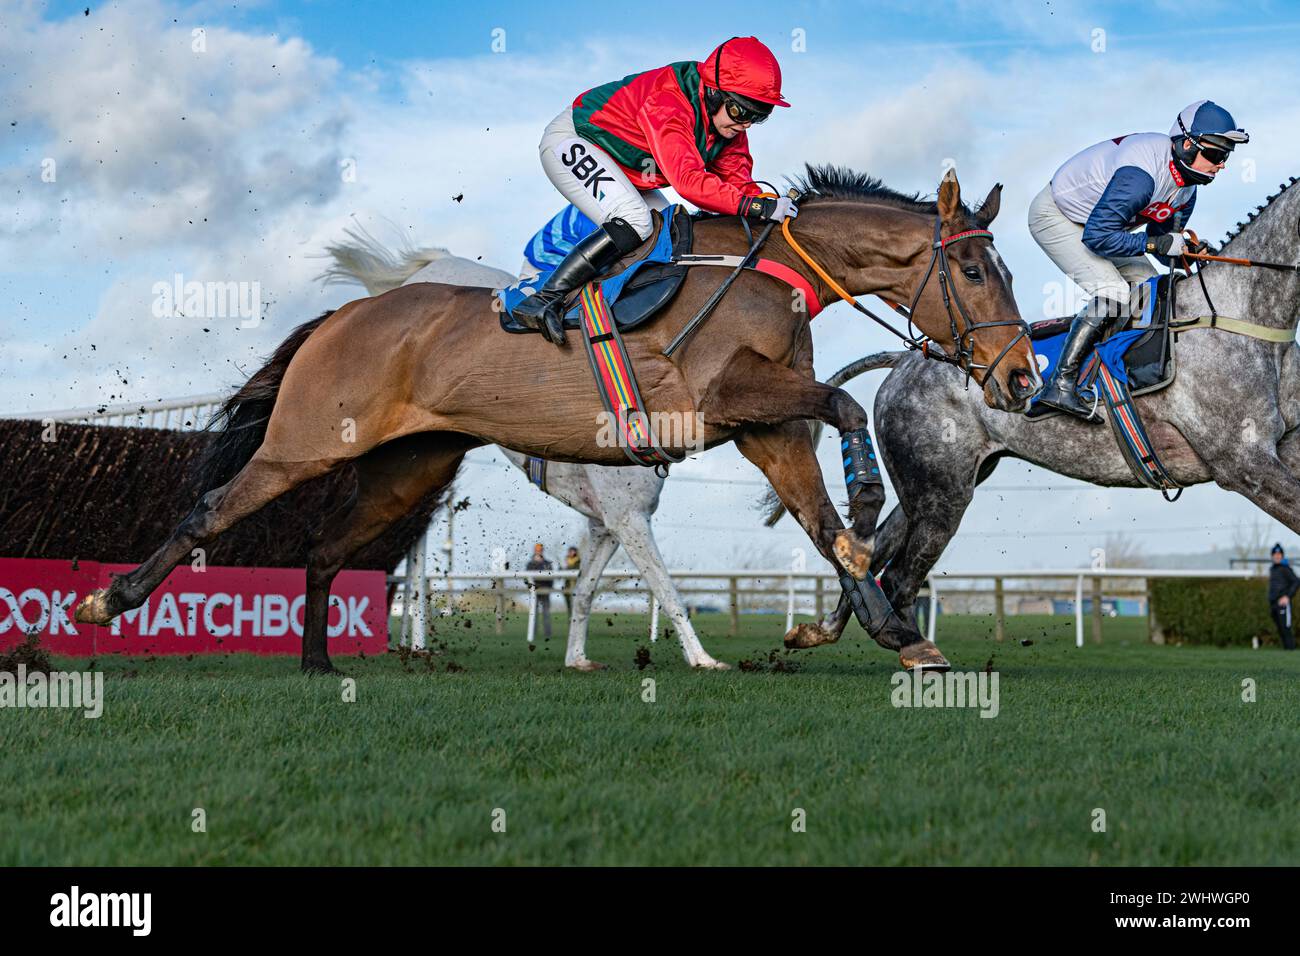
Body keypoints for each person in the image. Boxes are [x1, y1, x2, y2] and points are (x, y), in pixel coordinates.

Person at [512, 36, 798, 346]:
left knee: (672, 236)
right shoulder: (669, 101)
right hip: (574, 139)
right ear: (714, 93)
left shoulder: (727, 129)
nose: (746, 125)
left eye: (758, 116)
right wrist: (754, 207)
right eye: (741, 112)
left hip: (627, 166)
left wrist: (769, 205)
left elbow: (739, 184)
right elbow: (688, 182)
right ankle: (543, 299)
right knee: (636, 220)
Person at [1028, 101, 1249, 420]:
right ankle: (1060, 384)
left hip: (1102, 226)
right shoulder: (1141, 177)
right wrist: (1157, 241)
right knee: (1115, 293)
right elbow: (1097, 238)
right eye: (1215, 154)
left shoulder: (1186, 190)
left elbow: (1161, 248)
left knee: (1146, 289)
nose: (1222, 164)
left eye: (1226, 156)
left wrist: (1188, 252)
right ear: (1188, 145)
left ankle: (1117, 372)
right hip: (1059, 217)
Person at [1268, 543, 1298, 650]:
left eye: (1279, 554)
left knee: (1286, 628)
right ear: (1272, 556)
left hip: (1283, 604)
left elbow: (1296, 581)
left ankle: (1290, 649)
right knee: (1280, 628)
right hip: (1273, 603)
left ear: (1282, 556)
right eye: (1275, 554)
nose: (1277, 556)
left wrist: (1287, 596)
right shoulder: (1273, 569)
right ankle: (1286, 650)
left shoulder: (1286, 568)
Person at [526, 543, 555, 640]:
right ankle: (533, 633)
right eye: (537, 550)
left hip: (545, 591)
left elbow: (551, 577)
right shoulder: (530, 564)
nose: (539, 551)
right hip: (534, 592)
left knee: (546, 613)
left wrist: (549, 587)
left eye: (540, 550)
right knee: (534, 613)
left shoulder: (547, 563)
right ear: (535, 550)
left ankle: (548, 634)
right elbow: (526, 578)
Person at [562, 545, 581, 613]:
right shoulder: (566, 561)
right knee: (569, 608)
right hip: (568, 587)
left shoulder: (579, 562)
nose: (570, 553)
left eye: (571, 551)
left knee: (577, 608)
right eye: (569, 551)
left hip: (577, 586)